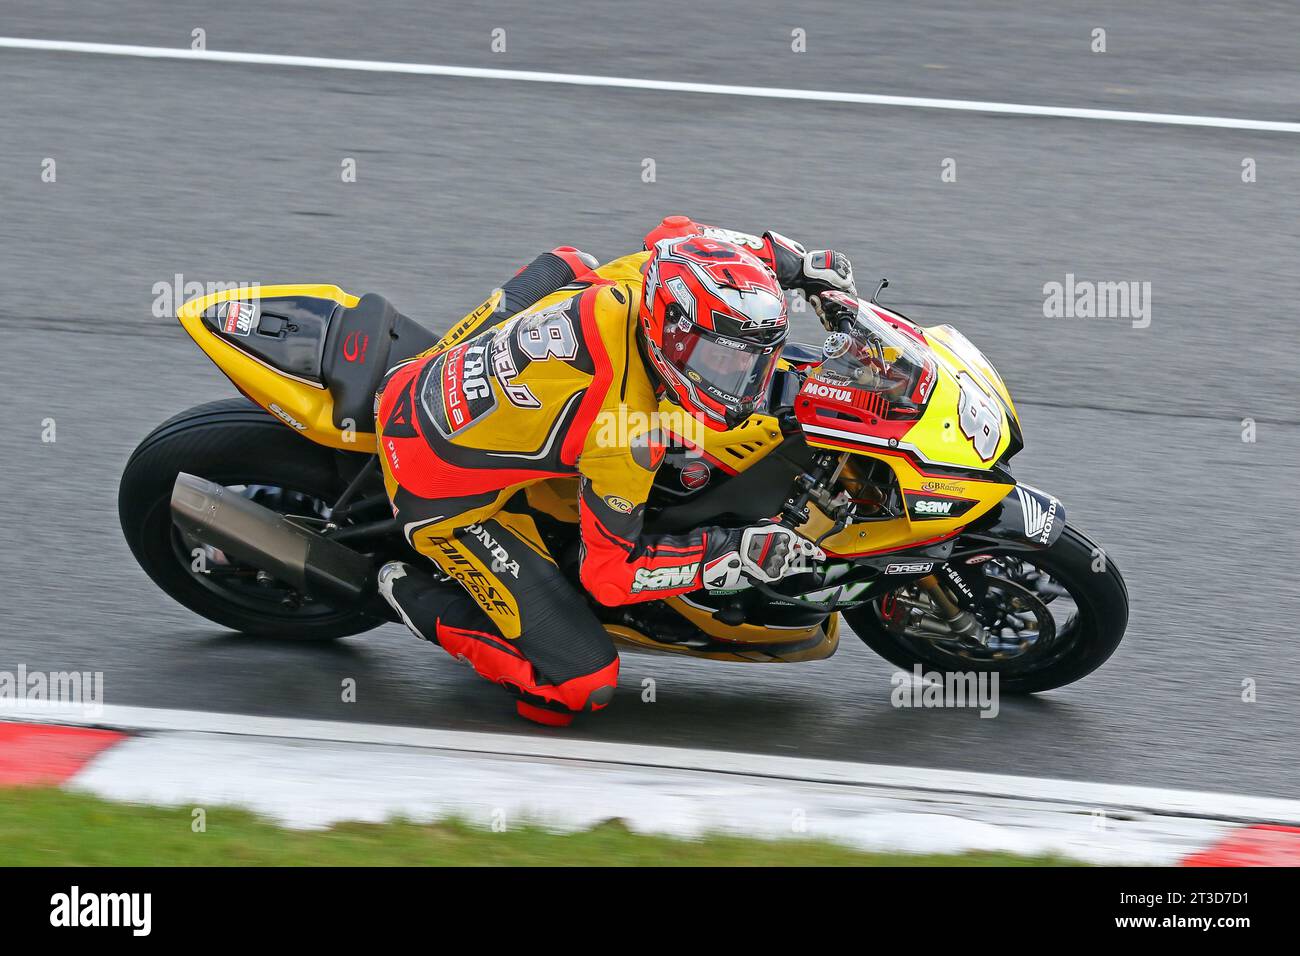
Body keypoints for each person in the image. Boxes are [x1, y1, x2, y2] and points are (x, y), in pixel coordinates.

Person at [373, 216, 856, 725]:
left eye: (753, 361)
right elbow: (608, 577)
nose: (741, 378)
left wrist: (796, 265)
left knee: (572, 263)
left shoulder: (644, 277)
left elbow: (679, 233)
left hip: (437, 371)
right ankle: (398, 587)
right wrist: (731, 552)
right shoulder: (627, 433)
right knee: (578, 687)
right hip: (435, 486)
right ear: (671, 332)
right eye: (719, 361)